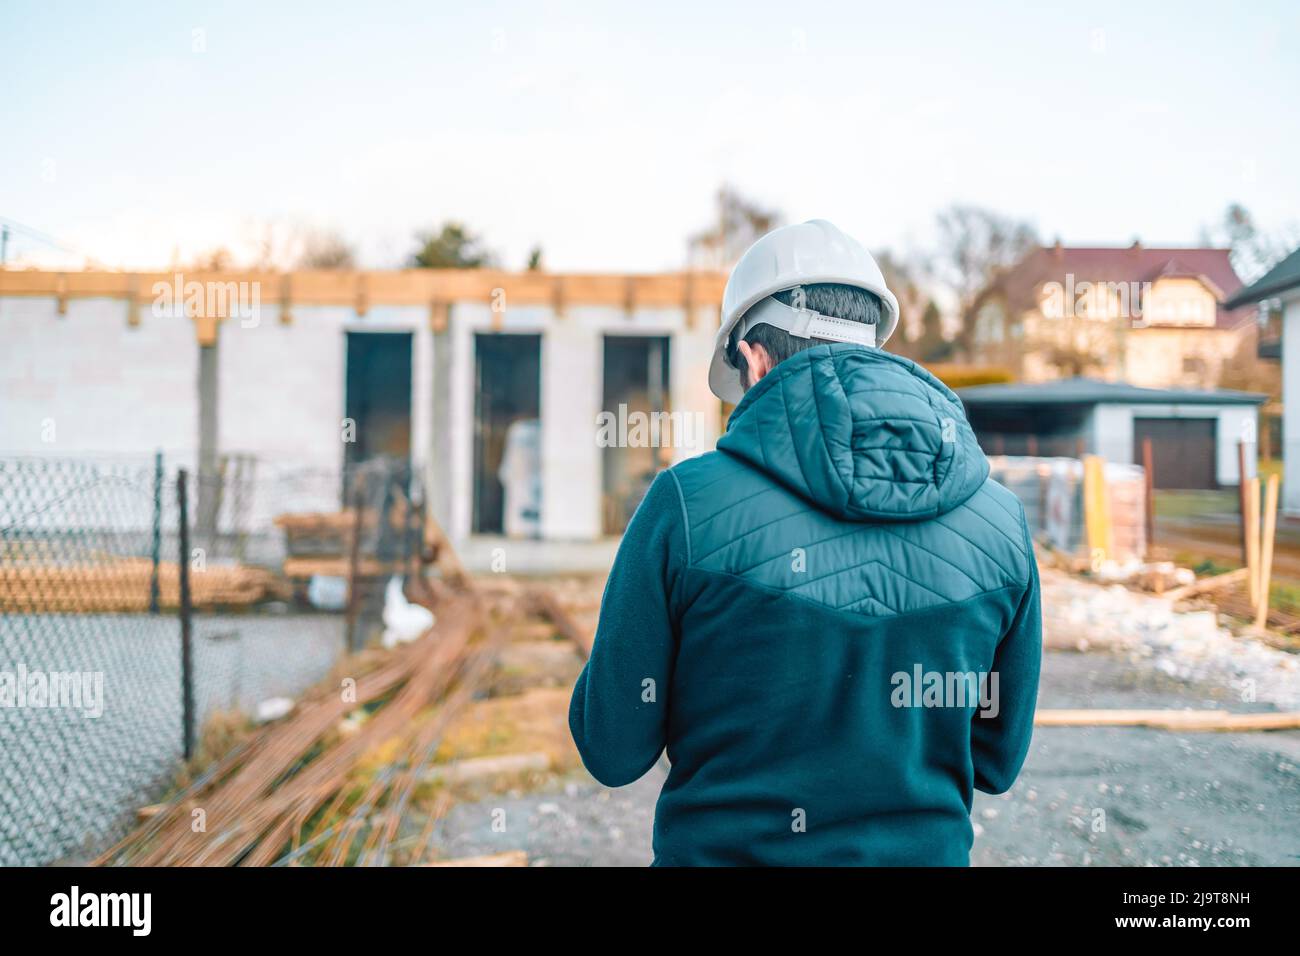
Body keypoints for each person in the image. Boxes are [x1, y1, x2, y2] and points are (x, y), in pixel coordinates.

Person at [569, 220, 1042, 865]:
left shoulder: (686, 505)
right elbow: (996, 759)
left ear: (755, 358)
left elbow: (613, 748)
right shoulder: (1000, 522)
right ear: (874, 346)